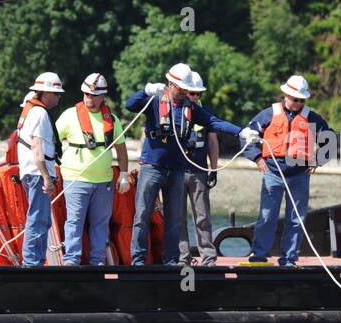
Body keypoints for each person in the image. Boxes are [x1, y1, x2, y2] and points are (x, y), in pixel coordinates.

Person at [125, 62, 250, 266]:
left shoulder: (191, 108)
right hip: (152, 167)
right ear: (171, 84)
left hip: (177, 170)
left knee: (174, 219)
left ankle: (172, 260)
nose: (185, 92)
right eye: (182, 88)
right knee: (142, 214)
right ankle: (138, 259)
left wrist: (241, 131)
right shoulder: (154, 101)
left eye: (187, 89)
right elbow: (130, 105)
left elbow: (214, 122)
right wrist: (145, 90)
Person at [243, 75, 331, 266]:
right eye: (295, 99)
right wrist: (257, 158)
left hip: (300, 176)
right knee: (266, 216)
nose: (298, 103)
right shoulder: (267, 115)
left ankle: (289, 258)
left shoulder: (312, 118)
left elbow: (329, 141)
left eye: (302, 100)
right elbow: (245, 136)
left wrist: (318, 160)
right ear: (285, 95)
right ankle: (258, 256)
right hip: (272, 174)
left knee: (296, 219)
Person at [55, 72, 129, 266]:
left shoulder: (112, 119)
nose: (90, 98)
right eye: (87, 94)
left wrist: (123, 173)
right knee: (74, 222)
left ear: (103, 96)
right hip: (75, 179)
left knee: (100, 225)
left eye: (94, 95)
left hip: (103, 182)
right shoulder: (69, 115)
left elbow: (121, 148)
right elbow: (52, 139)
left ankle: (97, 262)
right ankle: (71, 260)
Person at [15, 72, 65, 266]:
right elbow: (37, 148)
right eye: (57, 93)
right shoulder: (40, 113)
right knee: (38, 219)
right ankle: (32, 264)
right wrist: (46, 177)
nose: (60, 97)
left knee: (39, 218)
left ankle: (33, 262)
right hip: (37, 174)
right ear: (45, 93)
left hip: (30, 172)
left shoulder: (31, 111)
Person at [179, 71, 220, 266]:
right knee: (177, 217)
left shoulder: (206, 114)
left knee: (202, 216)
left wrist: (214, 169)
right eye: (191, 93)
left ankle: (208, 257)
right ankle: (183, 257)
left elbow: (213, 142)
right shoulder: (174, 112)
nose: (195, 97)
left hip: (199, 171)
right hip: (177, 171)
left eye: (198, 94)